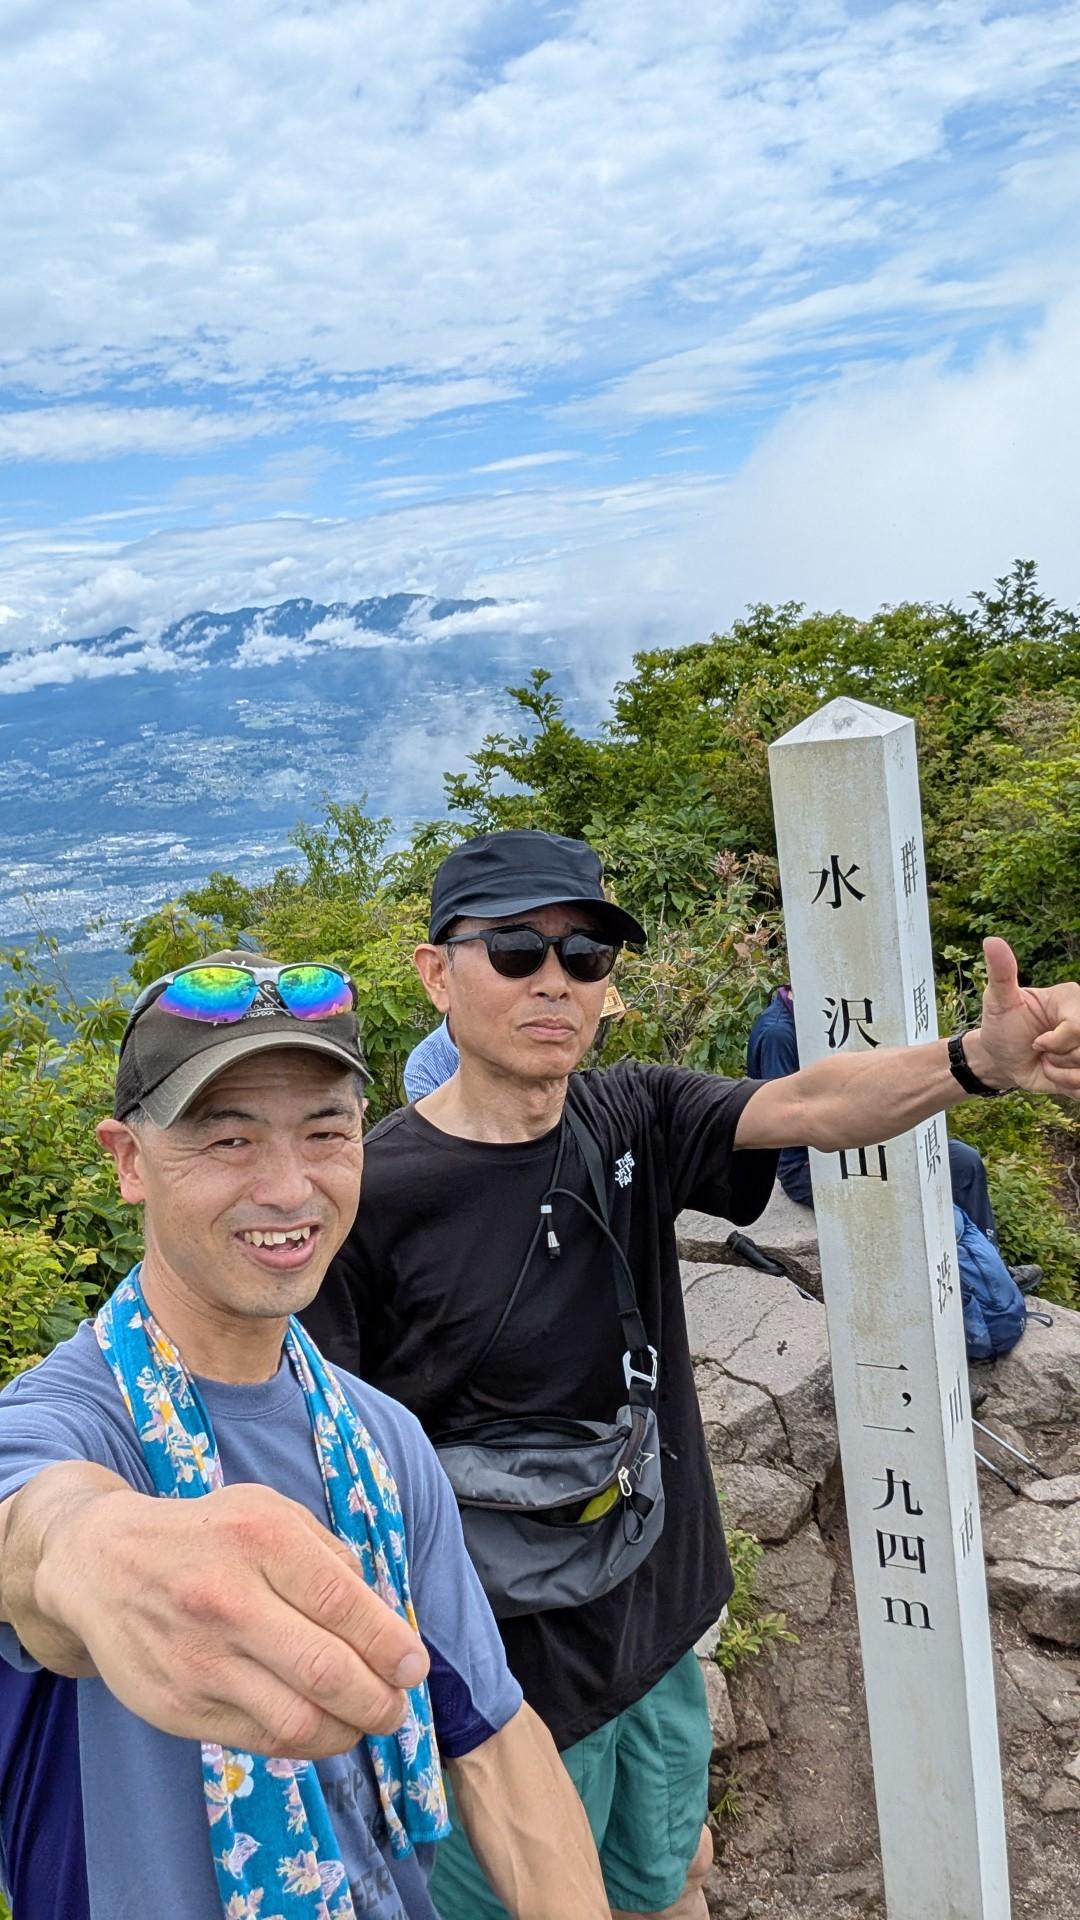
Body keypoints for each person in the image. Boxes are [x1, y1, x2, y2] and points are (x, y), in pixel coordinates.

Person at [296, 829, 1080, 1920]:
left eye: (586, 958)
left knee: (671, 1879)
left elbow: (810, 1105)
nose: (554, 982)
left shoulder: (631, 1115)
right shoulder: (369, 1200)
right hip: (492, 1694)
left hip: (654, 1628)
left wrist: (974, 1064)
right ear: (436, 972)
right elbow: (324, 1469)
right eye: (515, 951)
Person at [0, 953, 609, 1920]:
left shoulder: (381, 1443)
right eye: (228, 1140)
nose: (289, 1189)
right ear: (127, 1160)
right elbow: (35, 1529)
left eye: (326, 1131)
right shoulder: (75, 1423)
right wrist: (93, 1553)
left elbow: (491, 1739)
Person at [746, 985, 1040, 1274]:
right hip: (808, 1162)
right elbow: (787, 1126)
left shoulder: (829, 1013)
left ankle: (993, 1270)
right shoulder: (779, 1034)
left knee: (962, 1161)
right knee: (908, 1185)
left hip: (861, 1142)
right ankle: (973, 1281)